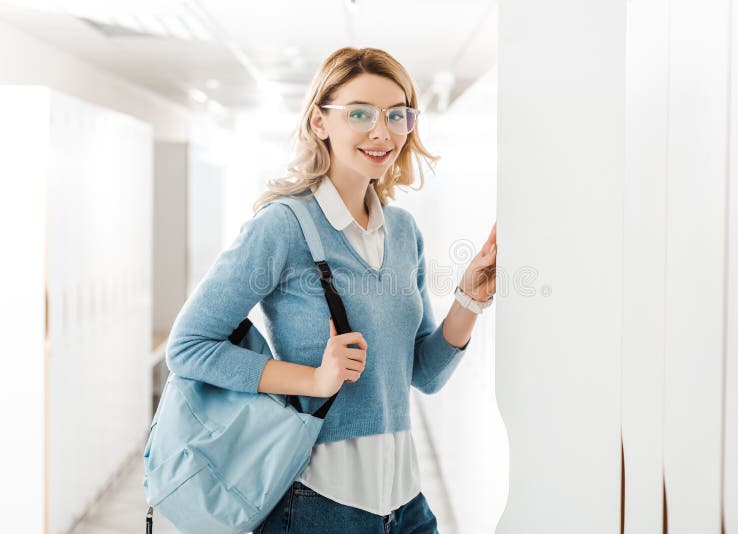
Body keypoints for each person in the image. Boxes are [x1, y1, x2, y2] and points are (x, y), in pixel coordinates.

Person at [165, 46, 497, 534]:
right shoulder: (283, 226)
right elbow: (189, 347)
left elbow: (423, 373)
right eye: (359, 113)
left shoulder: (404, 232)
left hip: (405, 503)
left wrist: (469, 299)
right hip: (320, 502)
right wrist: (313, 380)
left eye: (397, 115)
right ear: (320, 121)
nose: (382, 132)